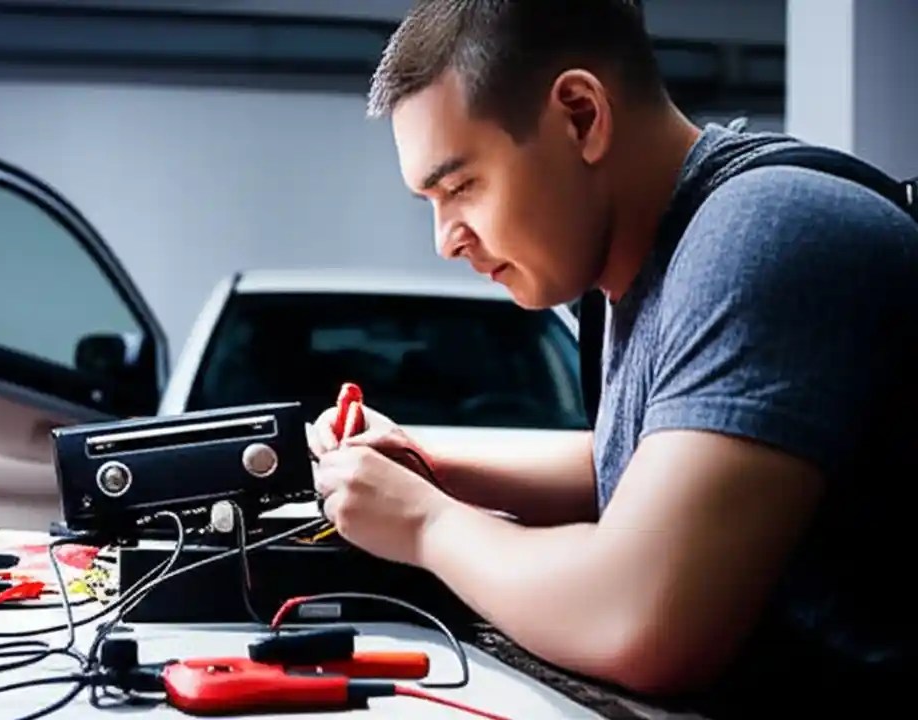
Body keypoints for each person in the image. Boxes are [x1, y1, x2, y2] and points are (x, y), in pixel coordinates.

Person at [305, 0, 917, 715]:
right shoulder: (638, 269)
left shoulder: (767, 233)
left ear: (581, 116)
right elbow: (635, 465)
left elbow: (641, 618)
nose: (447, 240)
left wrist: (425, 523)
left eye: (461, 186)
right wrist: (424, 464)